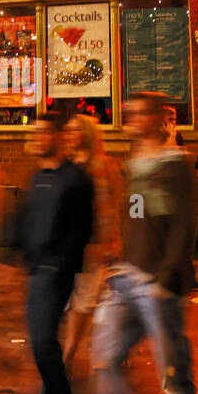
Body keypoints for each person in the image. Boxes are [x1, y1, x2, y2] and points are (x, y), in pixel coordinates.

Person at [89, 92, 198, 394]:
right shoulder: (133, 163)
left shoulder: (177, 164)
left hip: (159, 286)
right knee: (105, 355)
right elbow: (135, 216)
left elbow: (185, 226)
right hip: (128, 278)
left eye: (138, 113)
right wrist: (118, 260)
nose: (130, 119)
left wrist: (166, 280)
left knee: (173, 372)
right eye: (128, 113)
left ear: (158, 119)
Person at [15, 113, 94, 394]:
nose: (38, 137)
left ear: (60, 137)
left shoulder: (76, 179)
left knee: (43, 342)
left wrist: (58, 263)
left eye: (45, 132)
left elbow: (81, 229)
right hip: (37, 270)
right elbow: (27, 221)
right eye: (36, 131)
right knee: (43, 343)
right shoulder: (38, 177)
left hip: (55, 271)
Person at [61, 114, 121, 373]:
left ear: (86, 133)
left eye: (75, 129)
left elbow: (111, 206)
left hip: (91, 244)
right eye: (68, 130)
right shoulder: (66, 164)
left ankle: (67, 356)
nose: (70, 134)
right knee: (71, 302)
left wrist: (111, 242)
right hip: (65, 244)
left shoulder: (102, 165)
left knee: (82, 302)